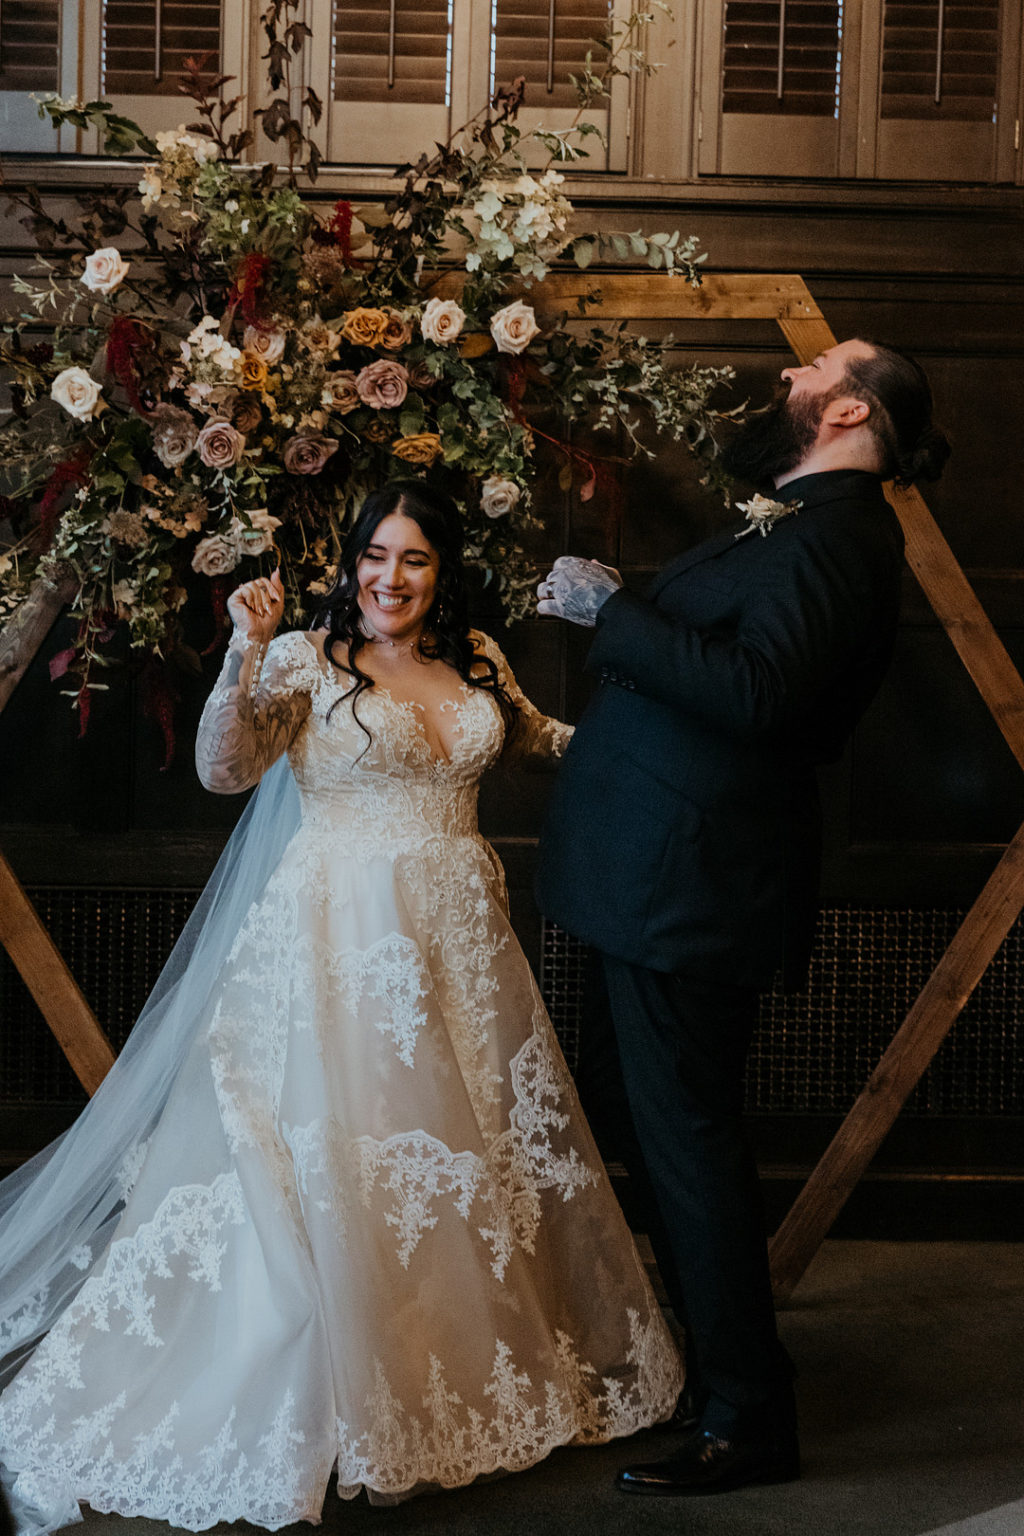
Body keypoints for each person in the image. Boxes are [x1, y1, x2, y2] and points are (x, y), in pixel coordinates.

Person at [0, 481, 683, 1533]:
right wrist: (242, 650)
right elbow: (225, 771)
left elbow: (548, 741)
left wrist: (675, 733)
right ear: (349, 563)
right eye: (374, 557)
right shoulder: (303, 658)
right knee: (340, 1150)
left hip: (460, 940)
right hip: (340, 938)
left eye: (413, 560)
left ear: (441, 572)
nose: (390, 579)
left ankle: (440, 1374)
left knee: (468, 1149)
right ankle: (327, 1396)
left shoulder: (479, 656)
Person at [534, 339, 951, 1496]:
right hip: (649, 880)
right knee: (646, 1123)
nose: (787, 380)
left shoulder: (841, 537)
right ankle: (714, 1368)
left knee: (688, 1143)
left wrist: (615, 610)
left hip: (692, 890)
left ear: (851, 407)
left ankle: (748, 1416)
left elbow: (761, 698)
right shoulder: (796, 518)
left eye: (811, 369)